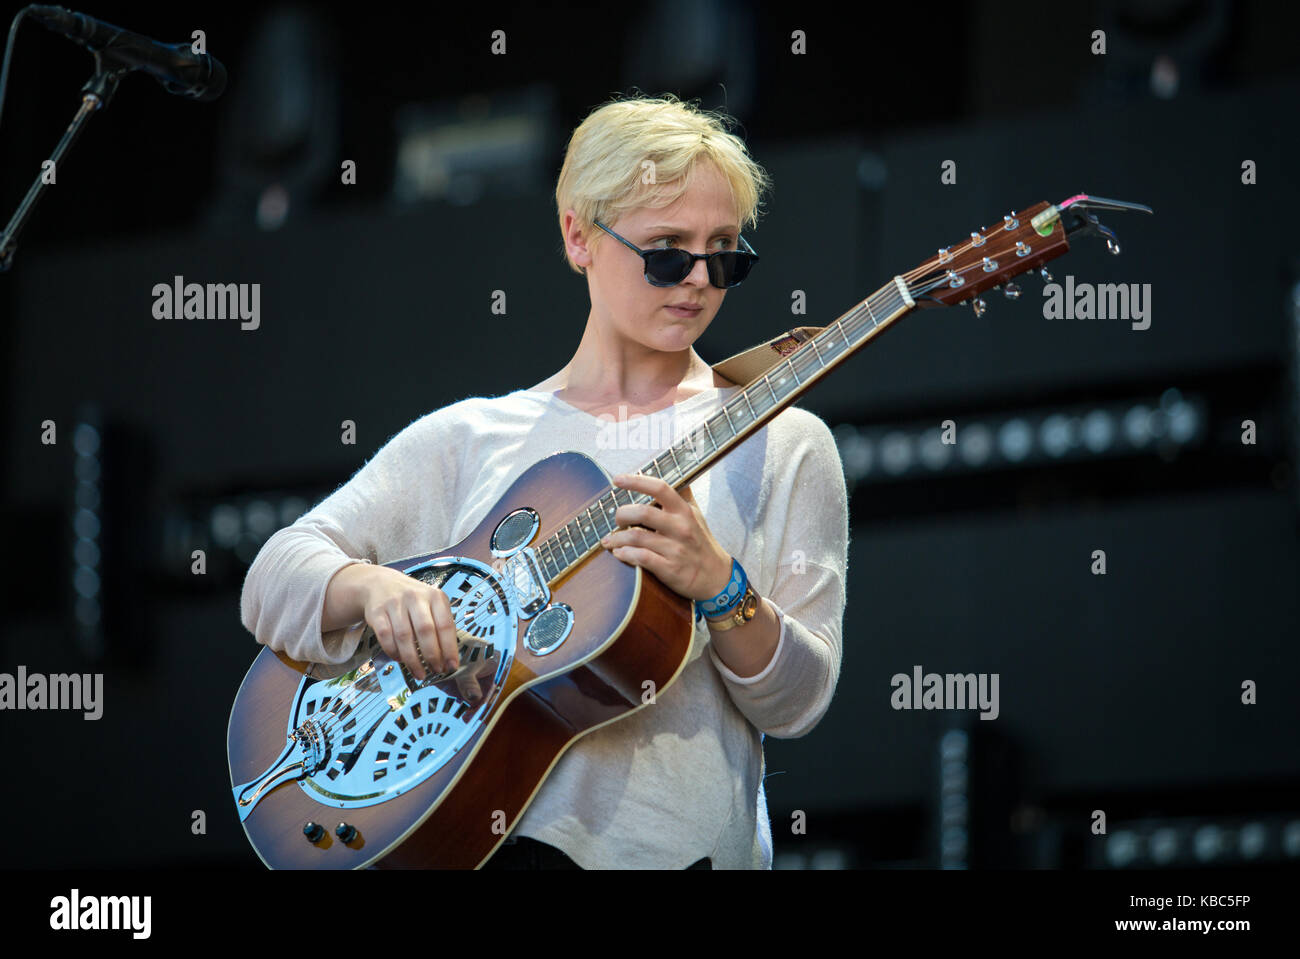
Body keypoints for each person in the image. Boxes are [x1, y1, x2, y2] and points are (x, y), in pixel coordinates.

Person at [239, 92, 849, 870]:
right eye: (666, 251)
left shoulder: (783, 439)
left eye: (725, 253)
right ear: (578, 235)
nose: (698, 280)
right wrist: (370, 589)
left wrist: (723, 585)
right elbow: (273, 575)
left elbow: (798, 702)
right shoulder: (471, 437)